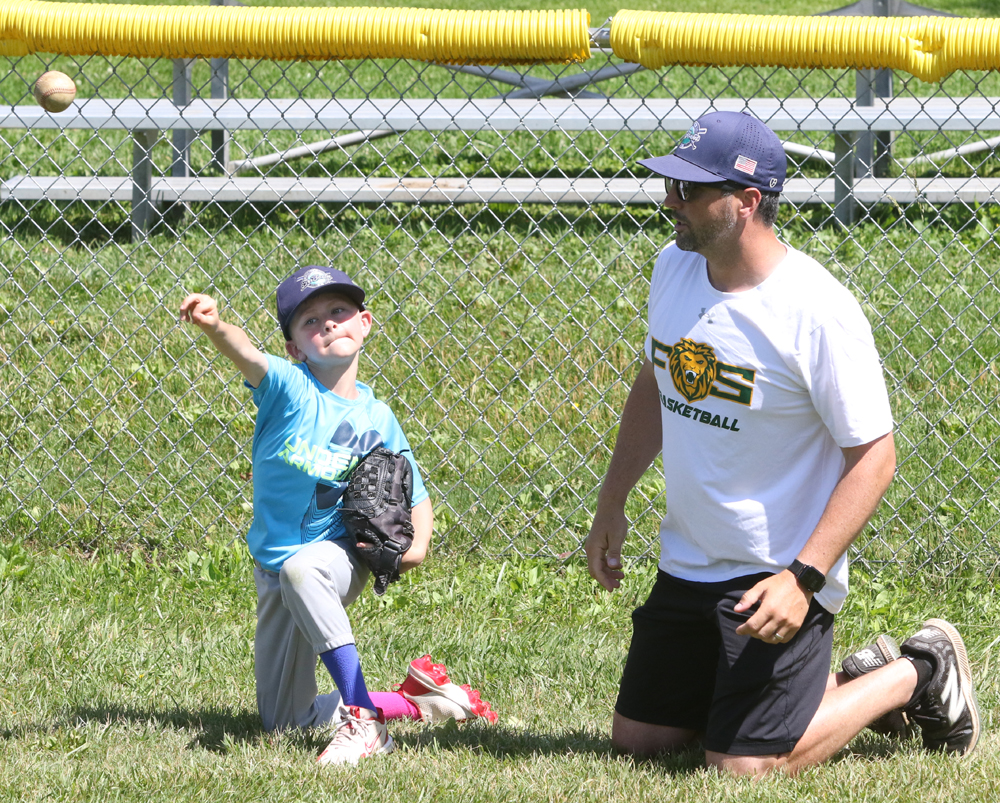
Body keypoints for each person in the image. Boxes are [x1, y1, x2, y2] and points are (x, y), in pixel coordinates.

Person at [584, 111, 979, 776]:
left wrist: (803, 578)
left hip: (777, 573)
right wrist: (611, 501)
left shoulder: (816, 310)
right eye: (671, 187)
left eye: (688, 192)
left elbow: (875, 456)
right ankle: (815, 686)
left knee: (742, 766)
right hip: (688, 564)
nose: (668, 202)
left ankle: (917, 670)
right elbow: (655, 380)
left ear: (745, 204)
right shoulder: (673, 269)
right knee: (639, 741)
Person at [180, 266, 496, 766]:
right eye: (309, 320)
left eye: (339, 311)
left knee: (303, 569)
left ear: (365, 322)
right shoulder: (288, 388)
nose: (327, 324)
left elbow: (417, 488)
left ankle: (364, 722)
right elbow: (246, 353)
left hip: (338, 559)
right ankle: (417, 700)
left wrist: (417, 548)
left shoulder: (377, 417)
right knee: (283, 720)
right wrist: (216, 327)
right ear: (294, 348)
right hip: (273, 569)